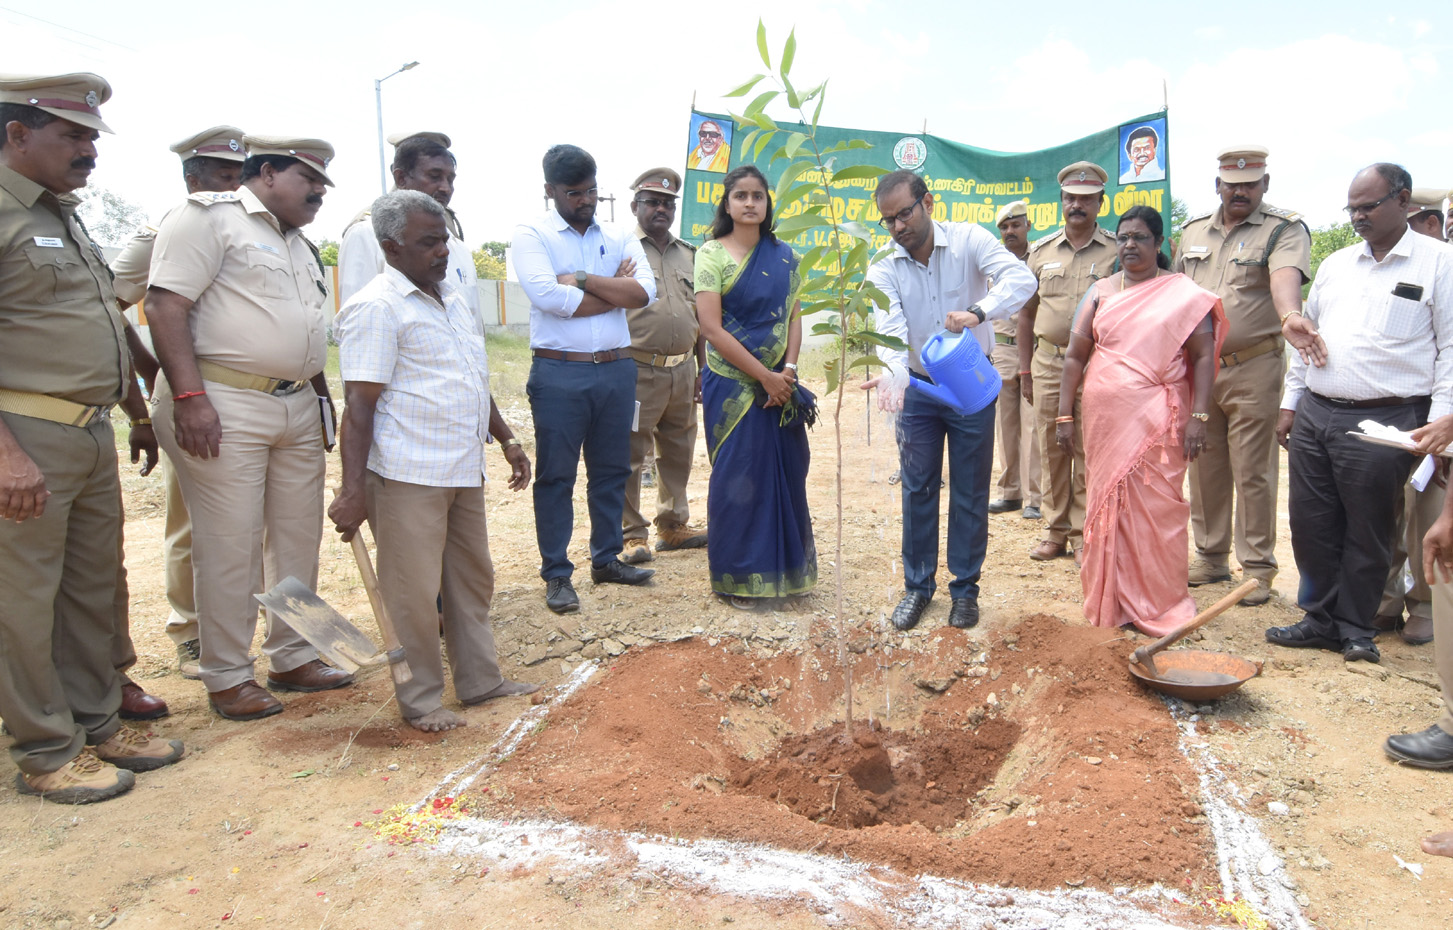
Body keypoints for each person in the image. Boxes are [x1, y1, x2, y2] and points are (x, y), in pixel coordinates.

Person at [0, 72, 185, 803]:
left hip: (86, 429)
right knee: (23, 599)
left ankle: (96, 722)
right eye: (72, 136)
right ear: (17, 135)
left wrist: (135, 412)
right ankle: (46, 747)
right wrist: (6, 454)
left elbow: (104, 323)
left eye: (90, 137)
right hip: (26, 436)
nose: (89, 151)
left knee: (91, 590)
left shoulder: (63, 214)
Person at [147, 134, 351, 719]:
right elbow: (164, 306)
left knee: (296, 538)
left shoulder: (300, 244)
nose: (319, 192)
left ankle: (292, 655)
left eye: (324, 184)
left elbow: (306, 333)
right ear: (265, 173)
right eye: (308, 179)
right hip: (221, 400)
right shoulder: (209, 219)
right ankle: (228, 675)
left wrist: (321, 404)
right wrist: (189, 397)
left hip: (295, 406)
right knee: (230, 542)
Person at [329, 191, 538, 733]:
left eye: (444, 238)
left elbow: (472, 378)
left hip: (462, 466)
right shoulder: (376, 307)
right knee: (413, 592)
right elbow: (359, 406)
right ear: (390, 246)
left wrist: (508, 438)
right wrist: (352, 490)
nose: (442, 251)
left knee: (472, 579)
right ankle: (421, 699)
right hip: (405, 474)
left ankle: (480, 681)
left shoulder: (453, 298)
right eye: (428, 242)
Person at [1269, 163, 1453, 665]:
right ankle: (1318, 618)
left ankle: (1356, 627)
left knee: (1368, 527)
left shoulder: (1439, 263)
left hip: (1387, 420)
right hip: (1317, 412)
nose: (1358, 217)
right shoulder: (1337, 265)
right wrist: (1292, 403)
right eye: (1352, 208)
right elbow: (1308, 340)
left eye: (1368, 206)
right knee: (1311, 522)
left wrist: (1442, 429)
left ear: (1404, 200)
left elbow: (1451, 352)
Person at [863, 170, 1037, 630]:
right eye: (888, 220)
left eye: (904, 213)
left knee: (969, 489)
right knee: (918, 486)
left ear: (928, 202)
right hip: (920, 388)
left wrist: (979, 312)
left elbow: (1021, 280)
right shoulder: (883, 264)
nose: (898, 226)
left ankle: (965, 590)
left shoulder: (969, 242)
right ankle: (917, 588)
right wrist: (894, 374)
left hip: (969, 383)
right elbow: (890, 328)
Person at [110, 125, 247, 683]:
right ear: (192, 179)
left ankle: (235, 626)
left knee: (245, 523)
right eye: (221, 175)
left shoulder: (256, 230)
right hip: (192, 396)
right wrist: (151, 372)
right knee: (191, 518)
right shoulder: (165, 230)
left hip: (249, 393)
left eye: (240, 175)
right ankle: (189, 631)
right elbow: (106, 306)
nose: (233, 186)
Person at [1058, 206, 1225, 635]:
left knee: (1155, 508)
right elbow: (1076, 357)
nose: (1129, 245)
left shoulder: (1182, 294)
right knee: (1106, 504)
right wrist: (1063, 413)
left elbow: (1204, 356)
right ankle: (1111, 600)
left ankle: (1157, 602)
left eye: (1140, 237)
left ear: (1160, 244)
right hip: (1105, 421)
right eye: (1123, 238)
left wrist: (1200, 417)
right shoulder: (1099, 292)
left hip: (1160, 420)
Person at [514, 144, 657, 614]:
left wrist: (579, 278)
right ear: (550, 191)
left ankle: (606, 558)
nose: (586, 200)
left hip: (616, 370)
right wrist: (610, 287)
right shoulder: (531, 234)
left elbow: (643, 293)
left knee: (612, 470)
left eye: (592, 190)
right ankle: (557, 573)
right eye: (574, 193)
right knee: (556, 476)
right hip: (559, 371)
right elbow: (546, 297)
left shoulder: (616, 234)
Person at [1174, 146, 1311, 607]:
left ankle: (1256, 569)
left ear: (1264, 185)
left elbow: (1283, 278)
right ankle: (1211, 556)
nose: (1239, 191)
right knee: (1204, 464)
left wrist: (1291, 314)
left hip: (1254, 365)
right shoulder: (1193, 231)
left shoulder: (1284, 230)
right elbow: (1172, 292)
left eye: (1250, 184)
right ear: (1218, 185)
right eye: (1231, 184)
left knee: (1253, 469)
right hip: (1200, 368)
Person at [695, 165, 817, 606]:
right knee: (739, 475)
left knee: (786, 472)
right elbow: (710, 327)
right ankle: (739, 577)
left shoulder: (786, 256)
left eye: (758, 196)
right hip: (732, 385)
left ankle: (786, 574)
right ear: (727, 204)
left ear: (768, 204)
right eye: (741, 196)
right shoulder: (710, 254)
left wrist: (788, 370)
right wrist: (763, 376)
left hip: (780, 385)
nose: (750, 203)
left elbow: (794, 317)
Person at [1017, 162, 1119, 565]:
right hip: (1048, 363)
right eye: (1071, 198)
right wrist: (1025, 370)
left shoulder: (1115, 251)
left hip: (1097, 365)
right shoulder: (1040, 253)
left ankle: (1083, 534)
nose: (1077, 204)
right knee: (1051, 446)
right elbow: (1026, 313)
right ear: (1061, 201)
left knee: (1089, 447)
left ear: (1100, 203)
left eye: (1086, 198)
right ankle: (1055, 530)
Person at [1375, 187, 1453, 645]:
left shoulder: (1440, 265)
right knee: (1388, 507)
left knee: (1431, 513)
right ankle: (1383, 603)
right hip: (1400, 407)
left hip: (1437, 411)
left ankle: (1425, 605)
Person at [621, 167, 707, 565]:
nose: (661, 209)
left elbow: (702, 316)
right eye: (652, 202)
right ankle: (631, 535)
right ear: (635, 205)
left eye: (668, 203)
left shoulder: (689, 255)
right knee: (630, 454)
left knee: (678, 449)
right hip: (636, 368)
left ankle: (672, 526)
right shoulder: (620, 250)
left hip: (683, 369)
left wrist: (702, 368)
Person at [338, 131, 479, 321]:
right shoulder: (366, 234)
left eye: (450, 179)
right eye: (434, 176)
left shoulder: (456, 245)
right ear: (401, 178)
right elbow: (359, 321)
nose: (446, 188)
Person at [988, 200, 1042, 520]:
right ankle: (1010, 493)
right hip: (1003, 349)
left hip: (1037, 350)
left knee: (1033, 424)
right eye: (1005, 227)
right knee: (1005, 424)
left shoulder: (1041, 258)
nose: (1010, 231)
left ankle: (1035, 497)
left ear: (1028, 226)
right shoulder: (992, 263)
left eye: (1015, 225)